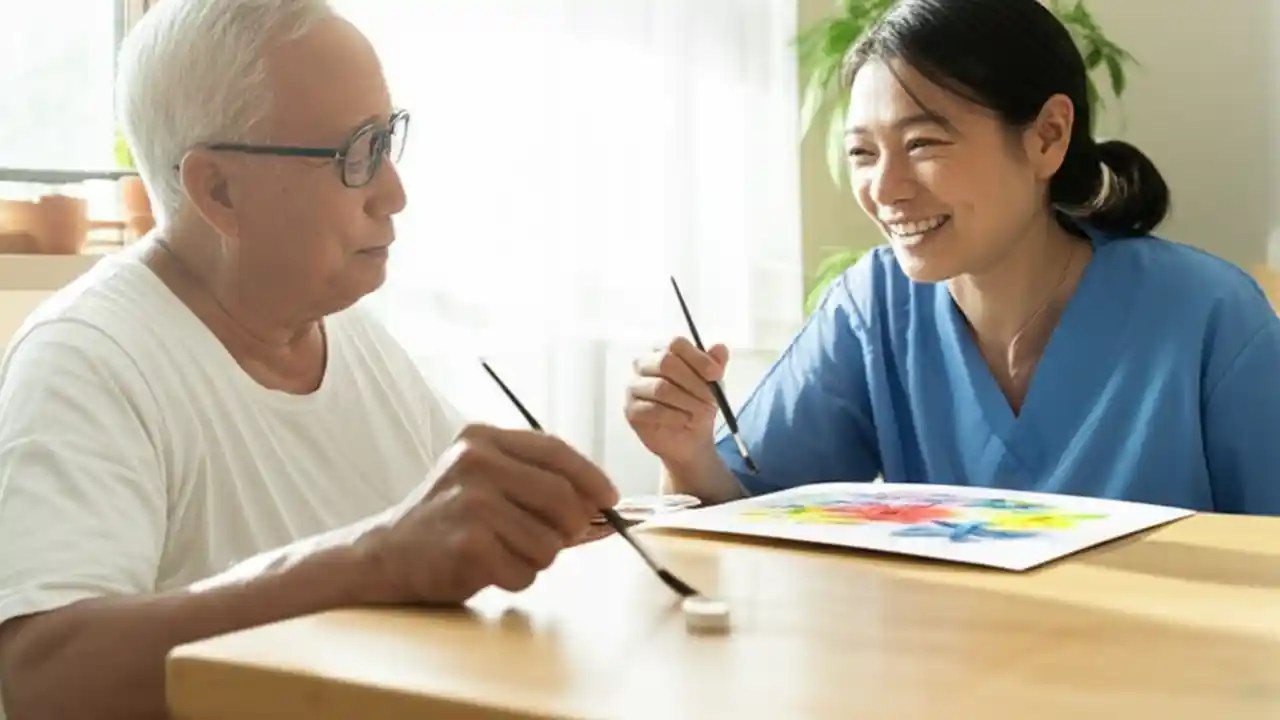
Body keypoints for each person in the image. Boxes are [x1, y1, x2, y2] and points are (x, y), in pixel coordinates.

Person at [0, 2, 618, 718]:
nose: (394, 193)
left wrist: (548, 519)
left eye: (389, 141)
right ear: (218, 191)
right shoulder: (90, 360)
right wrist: (371, 562)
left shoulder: (349, 334)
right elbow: (42, 676)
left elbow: (446, 531)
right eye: (357, 154)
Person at [626, 0, 1280, 514]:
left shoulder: (1209, 316)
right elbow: (748, 521)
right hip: (940, 677)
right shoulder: (873, 307)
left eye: (922, 144)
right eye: (862, 152)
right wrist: (685, 451)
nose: (883, 190)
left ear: (1048, 137)